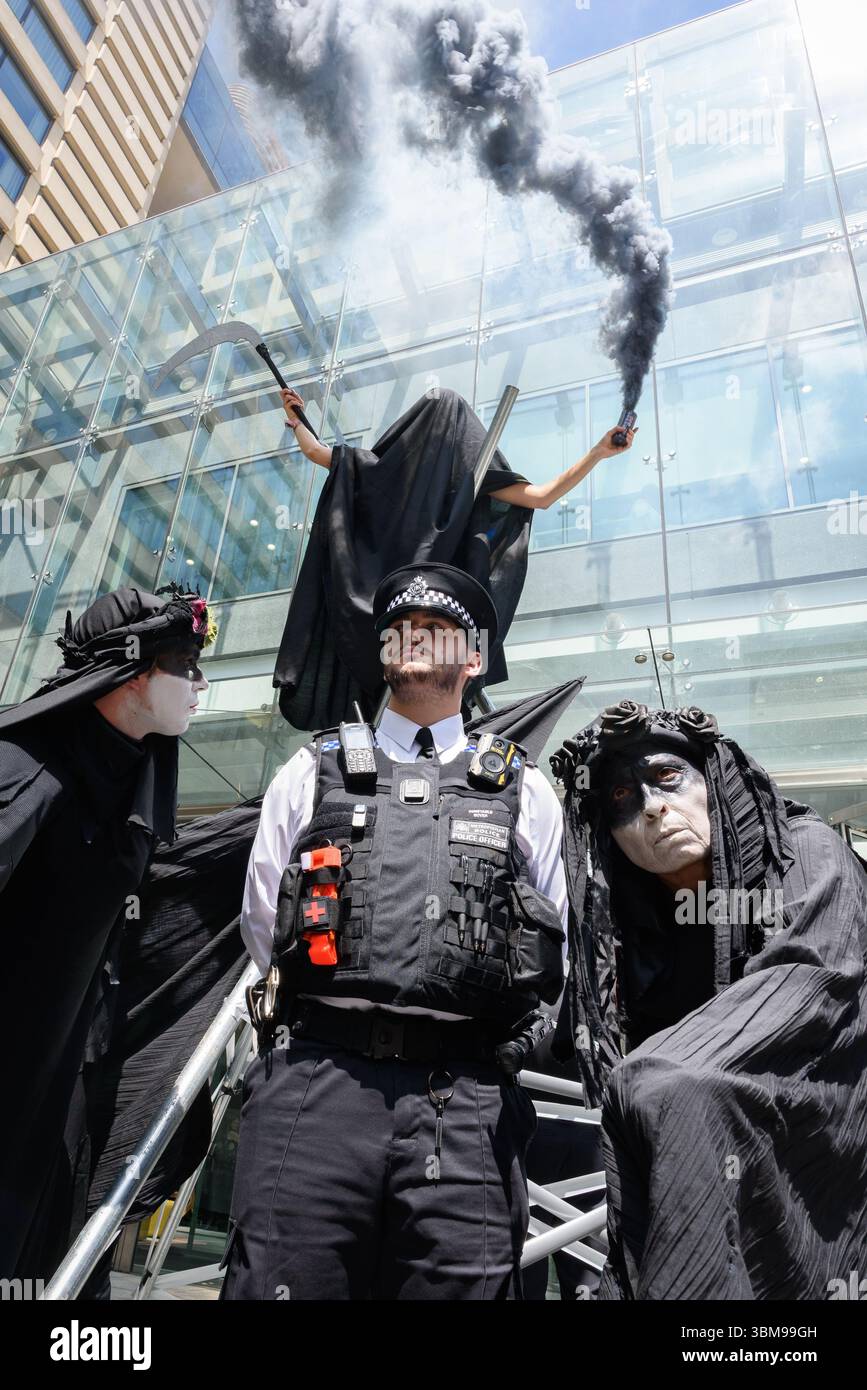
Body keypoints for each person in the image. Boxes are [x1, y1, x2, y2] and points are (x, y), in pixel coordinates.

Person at [221, 562, 569, 1300]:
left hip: (466, 1101)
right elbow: (264, 924)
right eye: (402, 629)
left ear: (472, 660)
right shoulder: (309, 771)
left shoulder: (524, 789)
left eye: (438, 630)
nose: (416, 639)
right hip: (317, 1086)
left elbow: (549, 940)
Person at [550, 701, 867, 1300]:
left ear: (714, 780)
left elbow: (807, 986)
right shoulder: (632, 919)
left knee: (662, 1089)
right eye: (621, 799)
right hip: (711, 1149)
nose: (652, 807)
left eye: (668, 778)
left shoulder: (802, 852)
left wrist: (658, 1074)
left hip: (828, 1127)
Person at [0, 585, 213, 1282]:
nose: (200, 682)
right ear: (130, 665)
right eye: (185, 661)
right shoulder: (23, 770)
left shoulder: (135, 780)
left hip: (58, 1083)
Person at [273, 386, 635, 730]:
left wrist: (598, 452)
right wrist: (299, 418)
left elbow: (541, 496)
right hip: (389, 615)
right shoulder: (388, 474)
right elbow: (323, 454)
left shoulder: (466, 483)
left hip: (428, 616)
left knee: (439, 689)